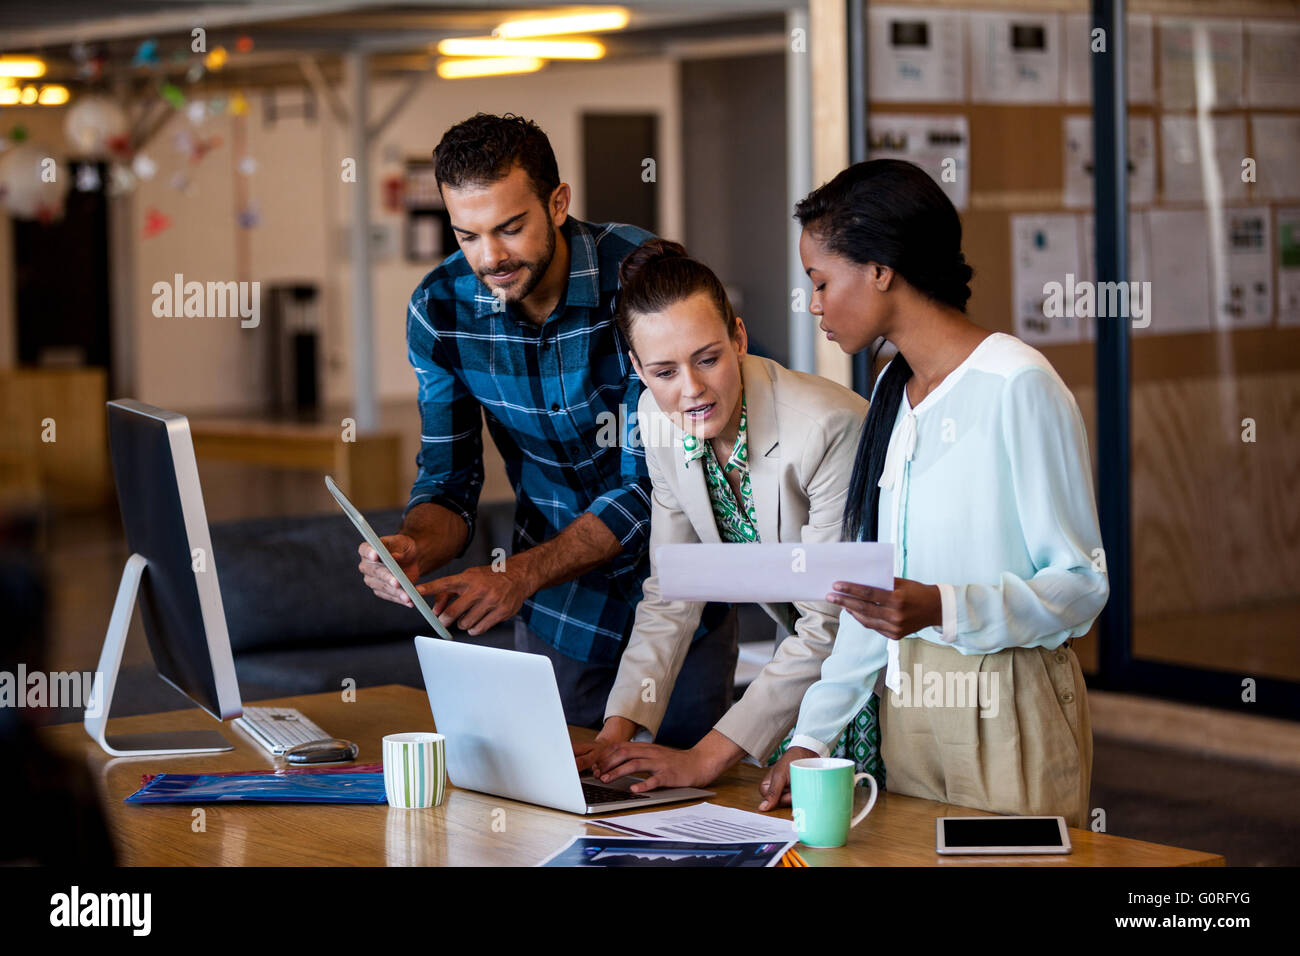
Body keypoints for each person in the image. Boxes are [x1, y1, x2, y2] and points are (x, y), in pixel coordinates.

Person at [356, 113, 736, 741]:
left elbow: (657, 480)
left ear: (558, 203)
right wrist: (415, 546)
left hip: (680, 595)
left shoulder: (642, 279)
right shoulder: (441, 309)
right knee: (556, 806)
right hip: (560, 612)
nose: (491, 257)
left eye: (510, 228)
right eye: (468, 236)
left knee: (695, 809)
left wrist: (518, 575)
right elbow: (449, 478)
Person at [759, 159, 1108, 828]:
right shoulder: (893, 391)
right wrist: (811, 737)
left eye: (822, 280)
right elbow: (877, 602)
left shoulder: (1017, 384)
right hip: (909, 704)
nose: (814, 303)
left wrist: (943, 607)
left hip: (1008, 705)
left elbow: (1080, 587)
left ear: (881, 270)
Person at [574, 239, 868, 791]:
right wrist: (616, 735)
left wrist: (704, 758)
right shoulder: (655, 419)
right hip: (798, 678)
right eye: (663, 372)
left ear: (738, 336)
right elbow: (672, 590)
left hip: (869, 675)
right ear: (636, 368)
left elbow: (832, 619)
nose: (691, 391)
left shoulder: (828, 426)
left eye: (707, 358)